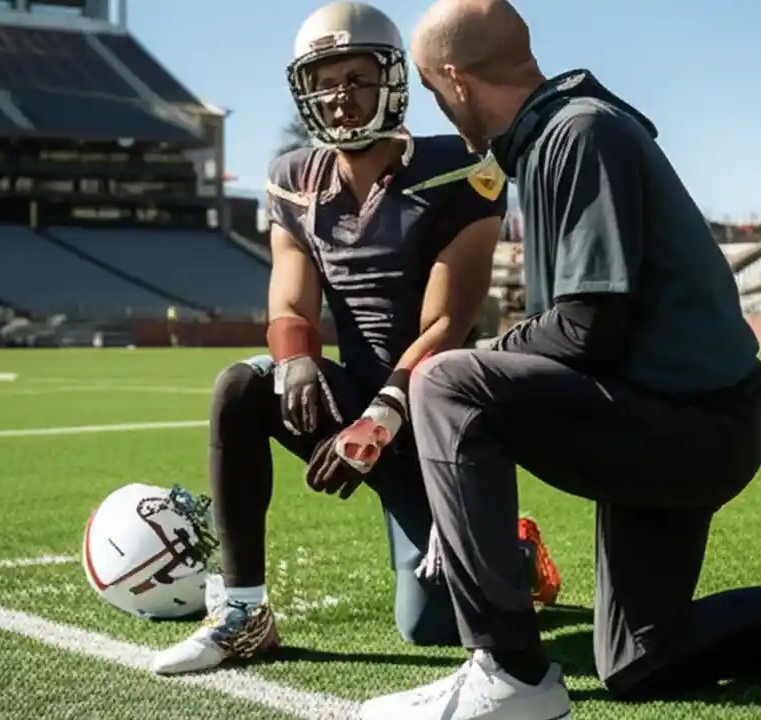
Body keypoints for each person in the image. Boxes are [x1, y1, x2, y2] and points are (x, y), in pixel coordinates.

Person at [357, 1, 761, 717]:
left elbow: (586, 330)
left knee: (445, 380)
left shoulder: (579, 133)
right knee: (641, 661)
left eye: (430, 91)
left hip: (691, 422)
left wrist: (468, 416)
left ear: (454, 79)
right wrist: (468, 507)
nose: (440, 109)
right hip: (666, 412)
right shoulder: (557, 134)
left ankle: (512, 674)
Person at [151, 0, 510, 675]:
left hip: (432, 411)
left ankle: (512, 548)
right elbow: (289, 297)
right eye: (324, 79)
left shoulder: (462, 168)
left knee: (429, 626)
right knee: (242, 386)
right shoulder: (294, 180)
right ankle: (243, 610)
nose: (339, 97)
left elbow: (446, 323)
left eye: (357, 78)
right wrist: (296, 363)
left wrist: (378, 423)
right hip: (353, 395)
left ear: (394, 81)